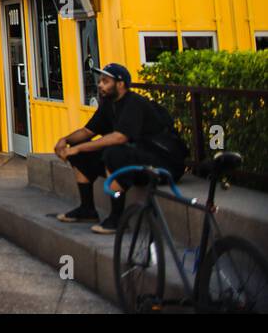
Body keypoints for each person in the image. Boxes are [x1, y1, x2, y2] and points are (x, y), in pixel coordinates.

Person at [52, 62, 188, 234]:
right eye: (100, 81)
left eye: (105, 81)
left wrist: (78, 148)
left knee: (113, 153)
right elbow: (88, 131)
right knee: (80, 154)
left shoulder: (134, 103)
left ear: (120, 83)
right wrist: (65, 141)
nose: (100, 84)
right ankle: (87, 209)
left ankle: (117, 219)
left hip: (163, 164)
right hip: (139, 158)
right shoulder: (109, 104)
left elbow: (120, 137)